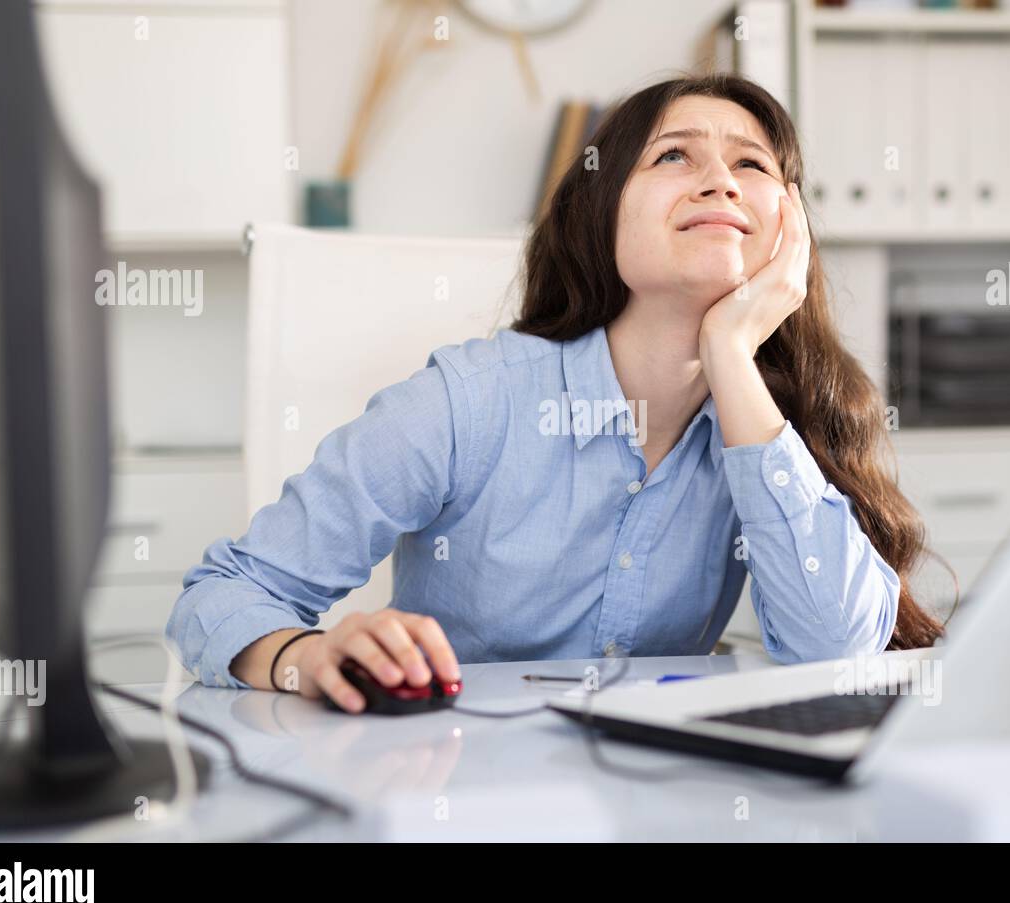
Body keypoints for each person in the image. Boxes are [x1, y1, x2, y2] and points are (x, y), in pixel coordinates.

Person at [166, 73, 945, 713]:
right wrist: (306, 654)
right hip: (451, 790)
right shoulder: (469, 403)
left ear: (790, 230)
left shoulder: (768, 426)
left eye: (753, 166)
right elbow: (223, 594)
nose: (720, 181)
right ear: (598, 213)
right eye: (674, 156)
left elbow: (835, 655)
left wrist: (732, 353)